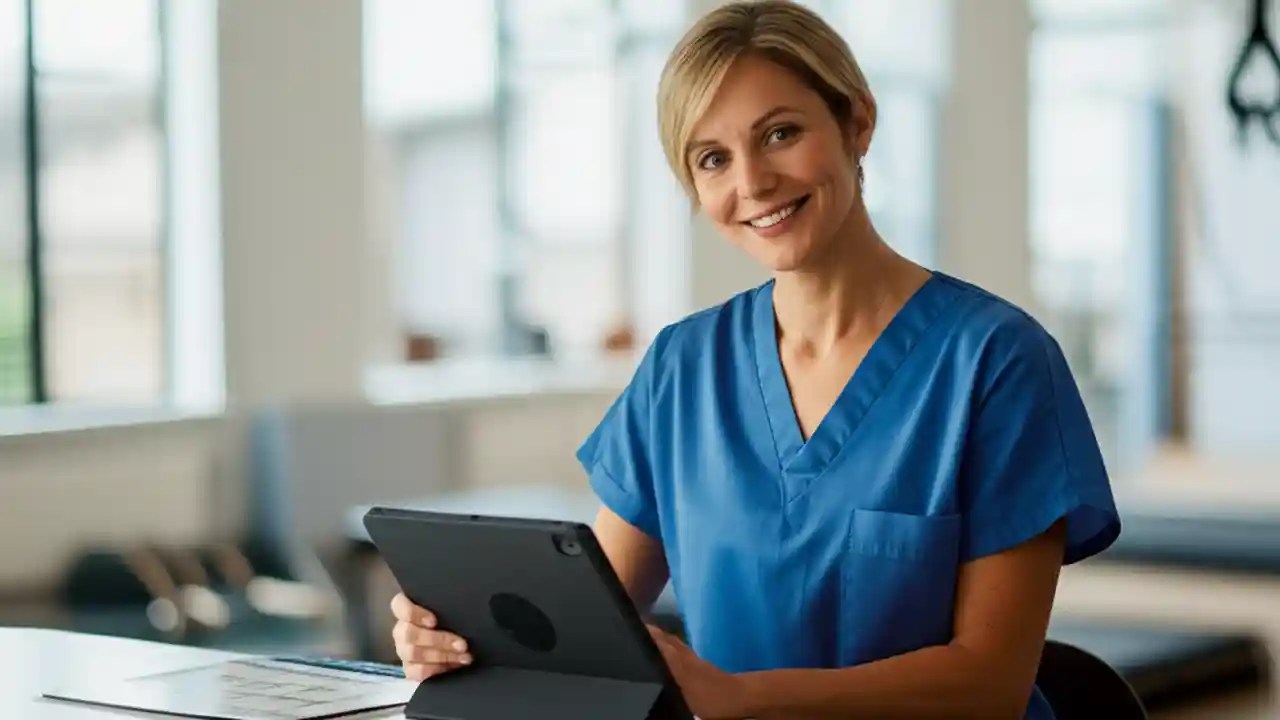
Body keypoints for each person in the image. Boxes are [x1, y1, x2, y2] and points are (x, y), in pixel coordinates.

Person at [390, 1, 1121, 717]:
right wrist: (459, 639)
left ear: (856, 122)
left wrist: (745, 700)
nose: (753, 183)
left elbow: (988, 684)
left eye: (780, 134)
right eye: (713, 159)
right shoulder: (683, 368)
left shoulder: (994, 362)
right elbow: (583, 630)